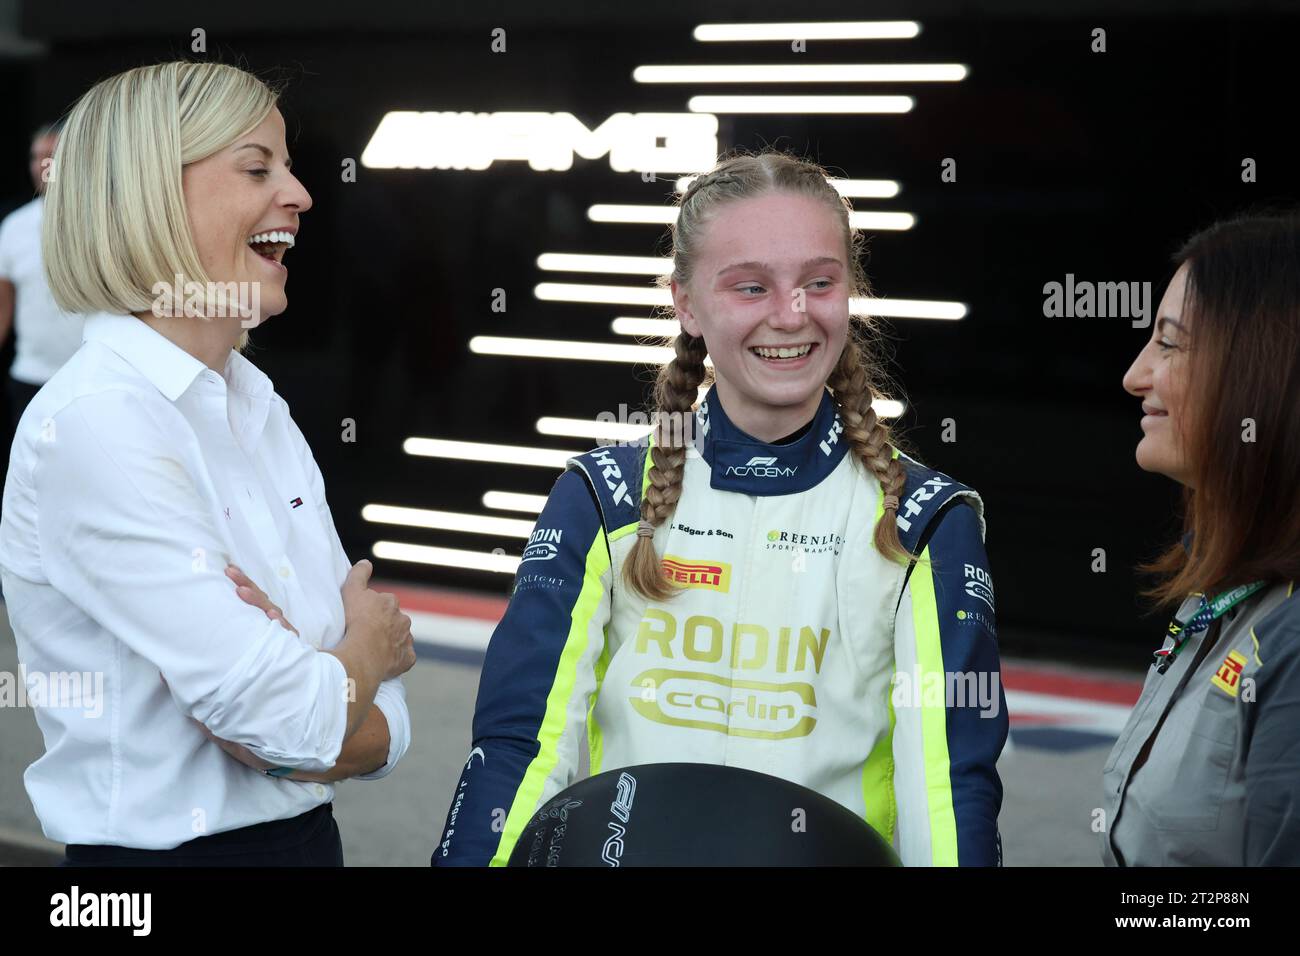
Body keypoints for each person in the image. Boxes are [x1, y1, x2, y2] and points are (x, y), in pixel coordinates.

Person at [434, 151, 1008, 867]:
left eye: (819, 282)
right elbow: (522, 745)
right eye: (750, 287)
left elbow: (947, 786)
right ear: (686, 303)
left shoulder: (925, 517)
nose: (791, 314)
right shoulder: (600, 497)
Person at [0, 61, 416, 866]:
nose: (299, 195)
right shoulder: (98, 424)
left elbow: (367, 728)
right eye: (258, 167)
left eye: (288, 167)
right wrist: (364, 648)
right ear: (147, 194)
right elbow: (294, 719)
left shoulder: (254, 401)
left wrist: (325, 688)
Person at [1103, 212, 1300, 866]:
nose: (1136, 376)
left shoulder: (1292, 636)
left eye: (1170, 343)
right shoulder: (1230, 590)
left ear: (1261, 369)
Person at [0, 122, 89, 432]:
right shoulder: (13, 226)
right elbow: (3, 310)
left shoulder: (104, 223)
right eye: (36, 156)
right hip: (30, 377)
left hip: (90, 376)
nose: (42, 165)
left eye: (52, 155)